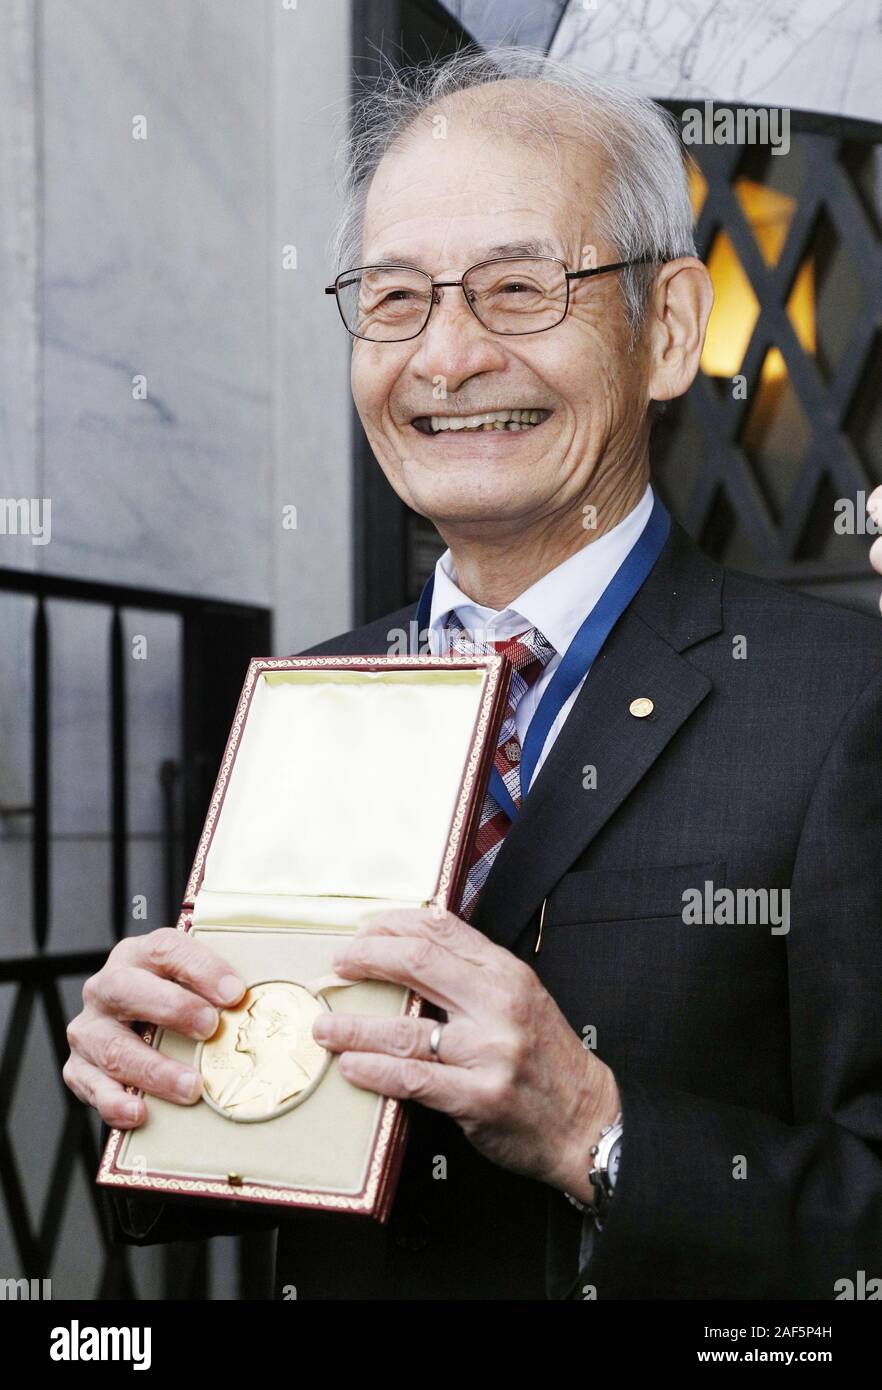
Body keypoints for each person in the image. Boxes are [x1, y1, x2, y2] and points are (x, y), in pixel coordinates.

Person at [64, 47, 882, 1300]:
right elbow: (242, 1159)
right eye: (395, 301)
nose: (444, 359)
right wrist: (147, 1085)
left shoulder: (839, 700)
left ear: (666, 329)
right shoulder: (312, 700)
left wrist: (594, 1127)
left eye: (516, 288)